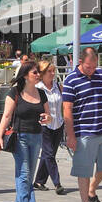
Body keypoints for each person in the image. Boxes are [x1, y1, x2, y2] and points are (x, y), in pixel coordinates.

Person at [62, 46, 102, 202]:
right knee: (84, 170)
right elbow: (67, 109)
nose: (91, 70)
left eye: (94, 66)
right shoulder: (71, 80)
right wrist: (70, 135)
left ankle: (92, 189)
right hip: (83, 130)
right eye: (88, 67)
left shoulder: (101, 75)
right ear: (80, 62)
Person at [0, 61, 48, 202]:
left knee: (28, 176)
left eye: (38, 72)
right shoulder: (15, 92)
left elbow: (49, 115)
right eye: (35, 72)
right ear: (25, 75)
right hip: (20, 137)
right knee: (24, 175)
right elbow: (6, 116)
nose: (38, 75)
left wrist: (48, 118)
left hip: (37, 137)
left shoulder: (41, 93)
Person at [32, 59, 68, 195]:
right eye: (49, 71)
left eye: (54, 71)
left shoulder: (58, 86)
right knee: (48, 154)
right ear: (42, 73)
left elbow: (63, 104)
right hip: (44, 125)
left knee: (49, 154)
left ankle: (39, 181)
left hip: (58, 123)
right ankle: (57, 183)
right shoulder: (37, 88)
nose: (53, 73)